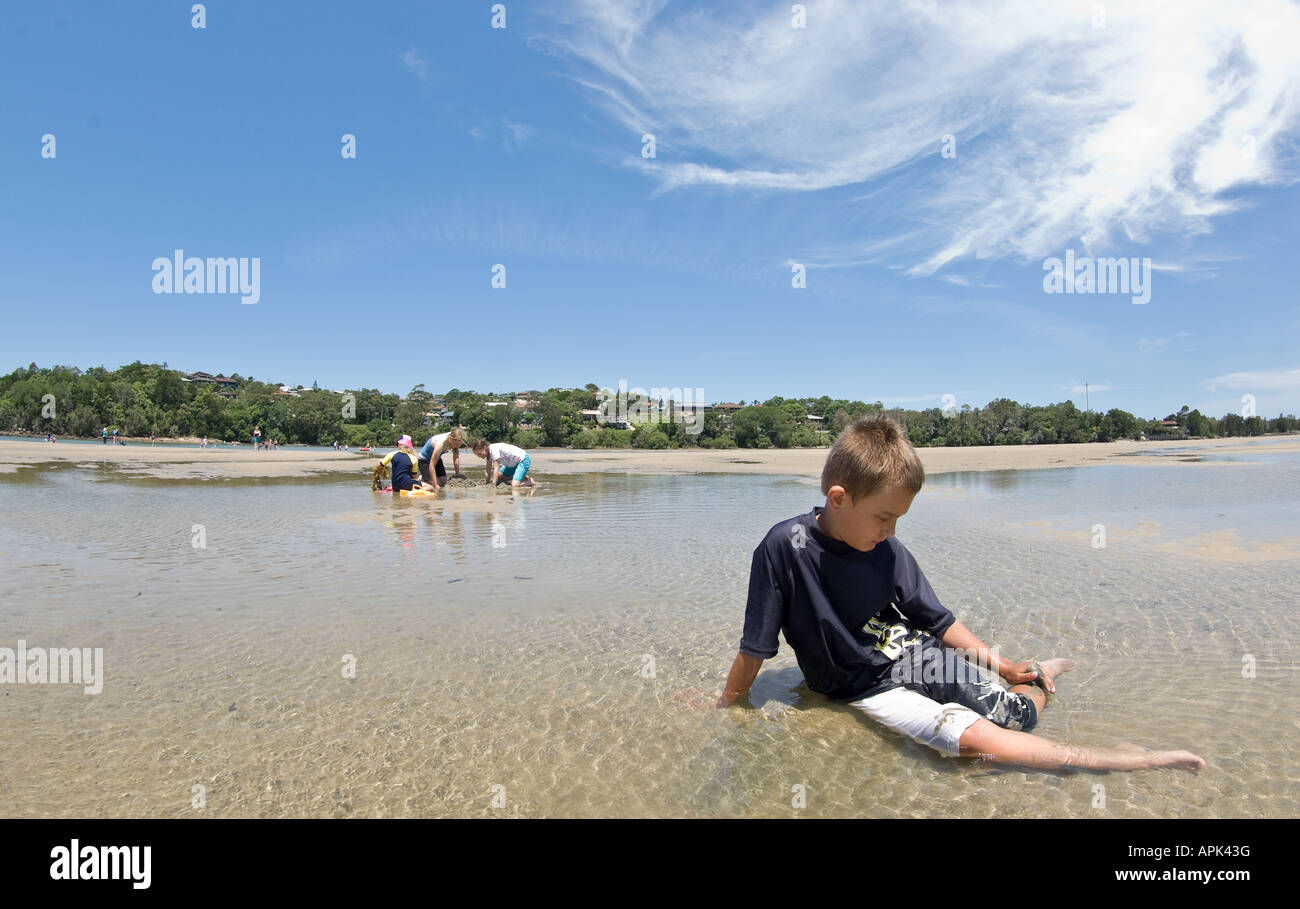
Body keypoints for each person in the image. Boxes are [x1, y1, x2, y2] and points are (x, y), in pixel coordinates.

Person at [717, 416, 1205, 773]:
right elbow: (756, 644)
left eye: (899, 520)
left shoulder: (890, 552)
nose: (890, 530)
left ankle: (1035, 677)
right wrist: (727, 705)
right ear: (839, 499)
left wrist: (1005, 664)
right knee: (972, 746)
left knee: (1012, 717)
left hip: (916, 656)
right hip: (861, 686)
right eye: (884, 517)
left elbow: (938, 621)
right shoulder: (786, 547)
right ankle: (1120, 762)